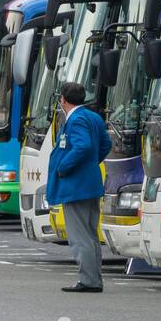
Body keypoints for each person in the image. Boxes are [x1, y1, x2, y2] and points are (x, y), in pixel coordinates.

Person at [47, 82, 112, 292]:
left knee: (79, 236)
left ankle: (89, 280)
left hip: (76, 185)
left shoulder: (76, 119)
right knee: (90, 234)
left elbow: (82, 145)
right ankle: (94, 278)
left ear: (63, 100)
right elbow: (105, 145)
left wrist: (64, 166)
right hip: (90, 182)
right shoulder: (93, 117)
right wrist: (92, 162)